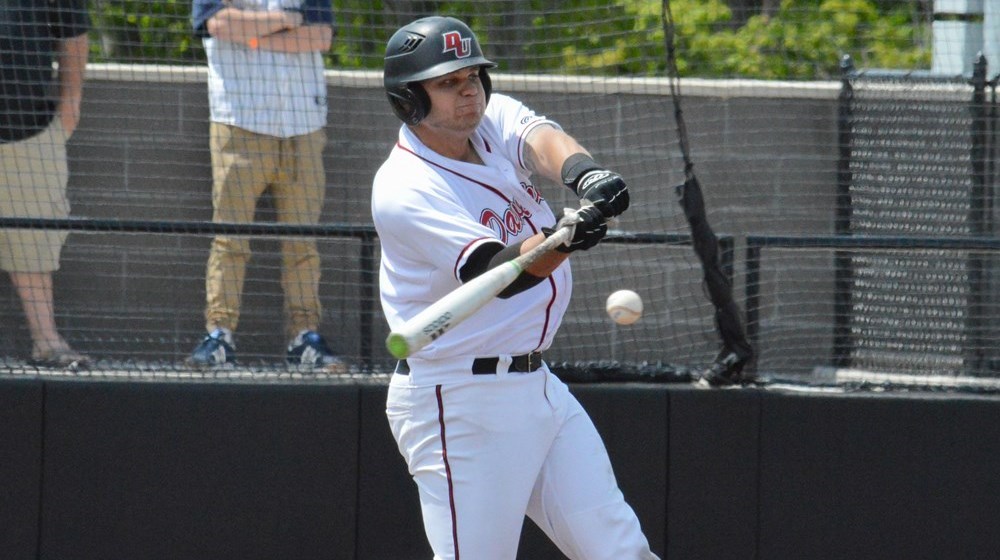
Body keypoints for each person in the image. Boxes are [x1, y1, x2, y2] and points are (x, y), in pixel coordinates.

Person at [372, 16, 659, 560]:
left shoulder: (488, 120)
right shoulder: (405, 186)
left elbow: (540, 138)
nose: (468, 91)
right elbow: (498, 274)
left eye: (474, 76)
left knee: (620, 551)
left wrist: (585, 175)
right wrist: (564, 240)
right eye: (447, 82)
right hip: (458, 398)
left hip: (537, 384)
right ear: (409, 100)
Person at [189, 0, 345, 371]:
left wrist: (255, 35)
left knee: (302, 241)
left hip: (303, 122)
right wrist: (287, 22)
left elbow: (321, 36)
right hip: (238, 119)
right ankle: (219, 335)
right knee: (230, 238)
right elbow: (220, 25)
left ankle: (303, 338)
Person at [1, 1, 91, 369]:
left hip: (27, 125)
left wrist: (71, 101)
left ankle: (47, 341)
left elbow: (73, 30)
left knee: (33, 242)